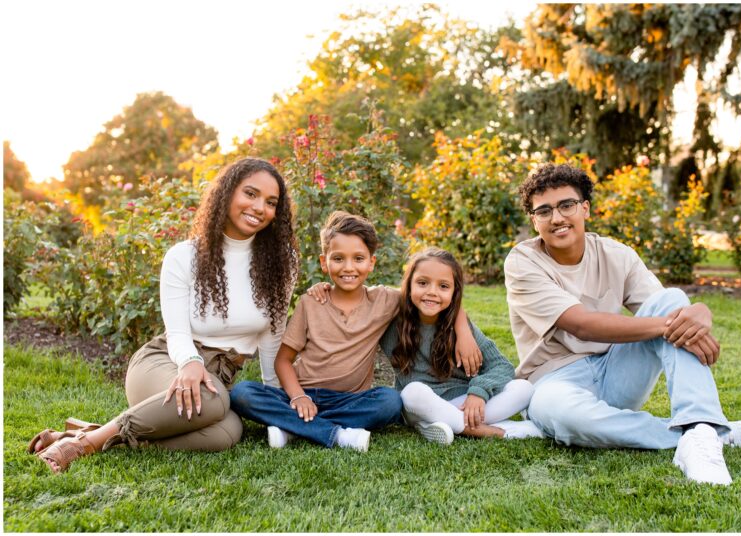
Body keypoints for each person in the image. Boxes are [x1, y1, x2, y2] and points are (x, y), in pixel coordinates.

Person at [504, 163, 741, 485]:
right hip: (554, 380)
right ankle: (704, 432)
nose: (557, 218)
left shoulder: (616, 254)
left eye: (567, 205)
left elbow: (669, 310)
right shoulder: (522, 262)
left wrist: (700, 311)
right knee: (567, 417)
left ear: (585, 208)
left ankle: (700, 428)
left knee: (673, 299)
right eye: (544, 211)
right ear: (534, 220)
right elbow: (582, 325)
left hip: (616, 371)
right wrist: (667, 326)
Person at [30, 157, 298, 472]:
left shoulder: (282, 262)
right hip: (166, 362)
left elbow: (272, 333)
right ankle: (80, 445)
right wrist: (190, 363)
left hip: (217, 378)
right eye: (250, 194)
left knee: (228, 432)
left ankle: (94, 433)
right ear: (227, 194)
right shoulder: (184, 256)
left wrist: (274, 401)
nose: (259, 207)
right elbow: (177, 331)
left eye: (270, 202)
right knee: (214, 402)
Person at [230, 211, 482, 452]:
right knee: (243, 393)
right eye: (338, 259)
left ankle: (294, 427)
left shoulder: (384, 300)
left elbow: (427, 298)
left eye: (358, 259)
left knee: (391, 402)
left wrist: (463, 329)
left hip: (350, 401)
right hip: (303, 393)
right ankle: (337, 434)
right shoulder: (311, 303)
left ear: (371, 263)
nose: (348, 267)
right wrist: (297, 398)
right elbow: (283, 361)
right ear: (324, 263)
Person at [380, 247, 543, 445]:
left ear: (454, 293)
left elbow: (503, 367)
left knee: (523, 388)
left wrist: (478, 392)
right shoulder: (390, 319)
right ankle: (489, 431)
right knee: (412, 392)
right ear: (409, 285)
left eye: (443, 286)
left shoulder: (462, 329)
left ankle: (439, 424)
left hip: (463, 401)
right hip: (419, 405)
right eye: (422, 283)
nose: (432, 292)